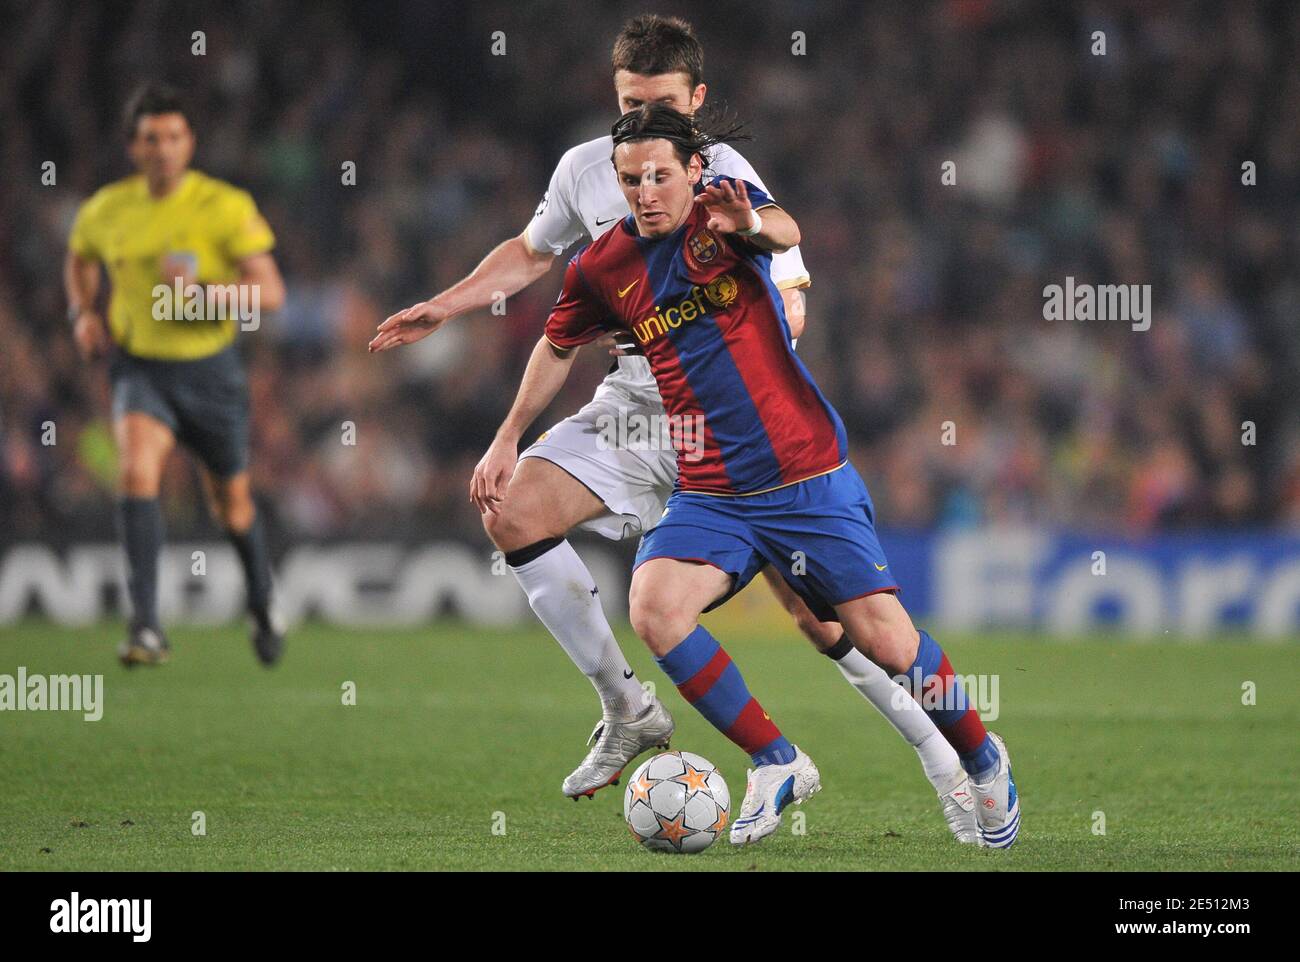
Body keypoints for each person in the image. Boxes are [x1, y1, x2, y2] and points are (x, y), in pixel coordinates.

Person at [371, 15, 976, 843]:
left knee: (823, 618)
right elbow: (531, 252)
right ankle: (629, 710)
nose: (643, 123)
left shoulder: (722, 175)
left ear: (696, 103)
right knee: (510, 511)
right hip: (631, 409)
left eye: (660, 105)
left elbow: (788, 278)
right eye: (628, 102)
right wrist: (445, 305)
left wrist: (722, 324)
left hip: (731, 427)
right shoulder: (592, 168)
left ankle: (943, 760)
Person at [523, 103, 1021, 848]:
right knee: (655, 607)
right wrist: (508, 438)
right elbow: (557, 341)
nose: (646, 191)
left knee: (887, 643)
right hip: (712, 489)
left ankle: (983, 760)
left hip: (803, 476)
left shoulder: (724, 217)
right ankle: (775, 759)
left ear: (695, 170)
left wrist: (748, 226)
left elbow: (786, 233)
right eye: (631, 180)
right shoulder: (600, 267)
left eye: (660, 175)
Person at [64, 83, 286, 667]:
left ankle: (262, 602)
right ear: (132, 147)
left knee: (231, 506)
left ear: (189, 142)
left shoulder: (224, 205)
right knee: (137, 472)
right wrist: (83, 312)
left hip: (211, 374)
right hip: (142, 370)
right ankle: (146, 625)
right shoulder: (107, 209)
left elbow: (271, 294)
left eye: (172, 136)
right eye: (149, 138)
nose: (161, 148)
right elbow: (81, 256)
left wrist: (208, 297)